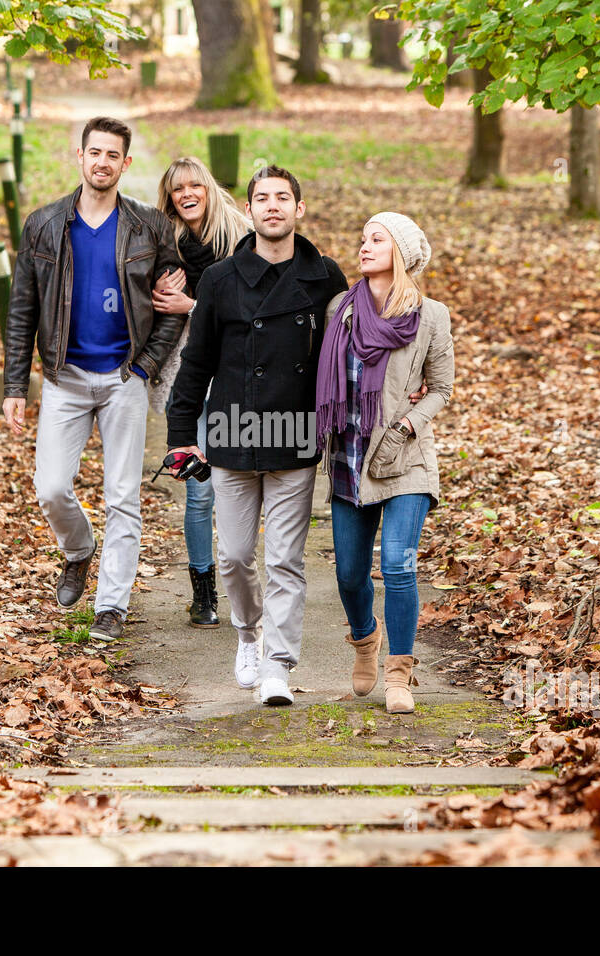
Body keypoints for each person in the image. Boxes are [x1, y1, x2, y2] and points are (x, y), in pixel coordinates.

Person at [166, 165, 349, 704]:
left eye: (283, 198)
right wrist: (182, 433)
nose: (273, 206)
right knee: (235, 556)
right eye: (262, 198)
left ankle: (277, 666)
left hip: (294, 433)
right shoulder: (222, 278)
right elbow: (195, 363)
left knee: (286, 560)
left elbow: (348, 353)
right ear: (248, 210)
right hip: (231, 431)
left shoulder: (325, 276)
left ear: (299, 209)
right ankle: (248, 634)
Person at [3, 116, 186, 643]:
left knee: (123, 495)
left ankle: (112, 605)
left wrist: (146, 365)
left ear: (125, 164)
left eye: (113, 155)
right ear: (79, 157)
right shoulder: (43, 224)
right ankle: (79, 551)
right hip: (64, 377)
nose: (103, 162)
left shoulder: (150, 227)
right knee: (52, 487)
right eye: (95, 153)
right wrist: (17, 386)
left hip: (124, 375)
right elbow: (22, 309)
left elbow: (173, 305)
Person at [316, 212, 454, 714]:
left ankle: (400, 673)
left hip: (403, 457)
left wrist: (406, 425)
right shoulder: (341, 309)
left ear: (400, 250)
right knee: (350, 575)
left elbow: (441, 389)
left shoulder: (430, 316)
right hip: (349, 454)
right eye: (363, 238)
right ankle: (364, 637)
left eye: (377, 239)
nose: (364, 246)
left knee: (397, 564)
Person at [149, 156, 250, 629]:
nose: (186, 194)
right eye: (176, 190)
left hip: (235, 373)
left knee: (237, 486)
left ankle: (239, 581)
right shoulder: (164, 242)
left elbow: (250, 308)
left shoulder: (241, 237)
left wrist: (192, 305)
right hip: (183, 376)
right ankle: (203, 591)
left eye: (195, 186)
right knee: (200, 489)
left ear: (208, 188)